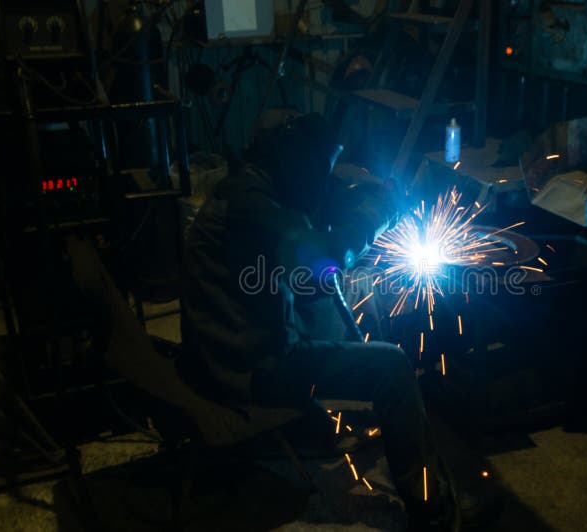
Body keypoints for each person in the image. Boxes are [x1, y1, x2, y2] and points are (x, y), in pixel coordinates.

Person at [180, 112, 460, 530]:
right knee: (393, 366)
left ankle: (366, 420)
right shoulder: (255, 211)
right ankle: (430, 511)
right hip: (253, 372)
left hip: (222, 353)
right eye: (320, 167)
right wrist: (378, 212)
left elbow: (296, 251)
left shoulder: (242, 192)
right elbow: (326, 256)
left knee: (341, 303)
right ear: (297, 160)